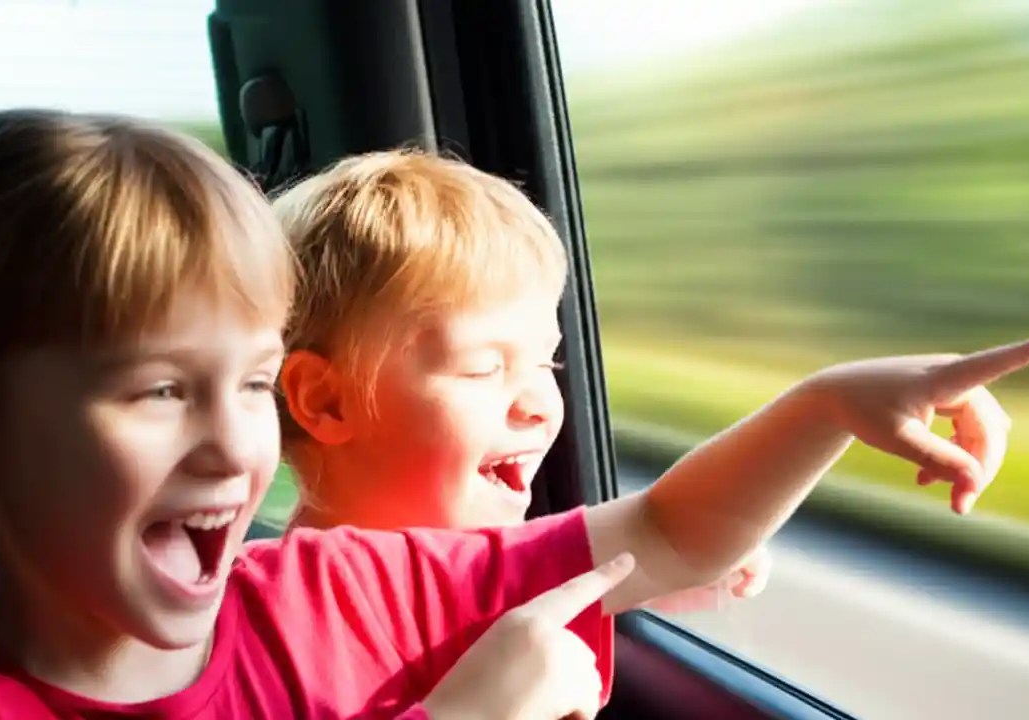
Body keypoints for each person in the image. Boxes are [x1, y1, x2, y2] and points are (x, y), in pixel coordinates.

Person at [0, 110, 1029, 720]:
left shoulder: (333, 588)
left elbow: (663, 534)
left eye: (251, 384)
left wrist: (826, 406)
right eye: (159, 390)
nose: (230, 446)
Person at [275, 151, 766, 612]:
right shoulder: (308, 606)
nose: (538, 404)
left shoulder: (464, 566)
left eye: (546, 364)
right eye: (485, 368)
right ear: (327, 400)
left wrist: (659, 572)